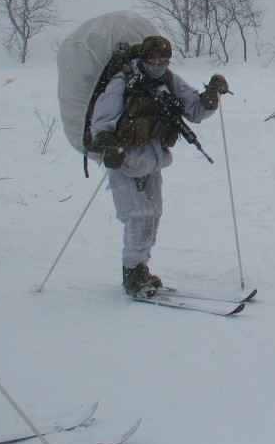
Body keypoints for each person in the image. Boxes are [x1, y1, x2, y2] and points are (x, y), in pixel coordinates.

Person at [88, 34, 228, 296]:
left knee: (153, 216)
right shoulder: (123, 81)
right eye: (155, 59)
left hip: (153, 162)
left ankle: (141, 267)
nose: (160, 64)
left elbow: (195, 110)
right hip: (125, 162)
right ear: (144, 57)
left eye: (165, 59)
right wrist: (107, 146)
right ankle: (132, 273)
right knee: (138, 216)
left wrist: (211, 96)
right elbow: (102, 120)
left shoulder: (169, 80)